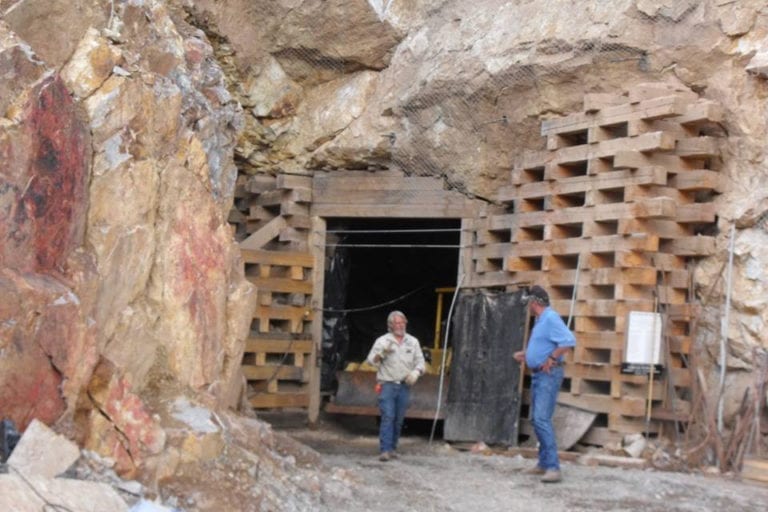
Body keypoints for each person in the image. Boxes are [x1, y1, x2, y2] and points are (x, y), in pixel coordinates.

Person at [513, 285, 575, 483]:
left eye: (529, 302)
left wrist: (552, 357)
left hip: (548, 375)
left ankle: (553, 468)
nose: (528, 306)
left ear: (535, 302)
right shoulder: (541, 320)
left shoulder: (550, 317)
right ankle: (543, 463)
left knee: (541, 419)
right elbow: (545, 344)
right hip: (539, 375)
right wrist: (528, 356)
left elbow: (568, 340)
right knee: (536, 419)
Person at [366, 310, 426, 462]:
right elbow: (370, 361)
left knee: (398, 419)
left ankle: (393, 448)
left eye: (402, 322)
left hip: (404, 386)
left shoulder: (413, 342)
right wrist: (381, 354)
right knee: (388, 416)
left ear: (405, 323)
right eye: (396, 323)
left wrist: (416, 372)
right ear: (390, 325)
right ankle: (385, 450)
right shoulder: (382, 341)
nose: (400, 325)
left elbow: (421, 362)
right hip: (387, 385)